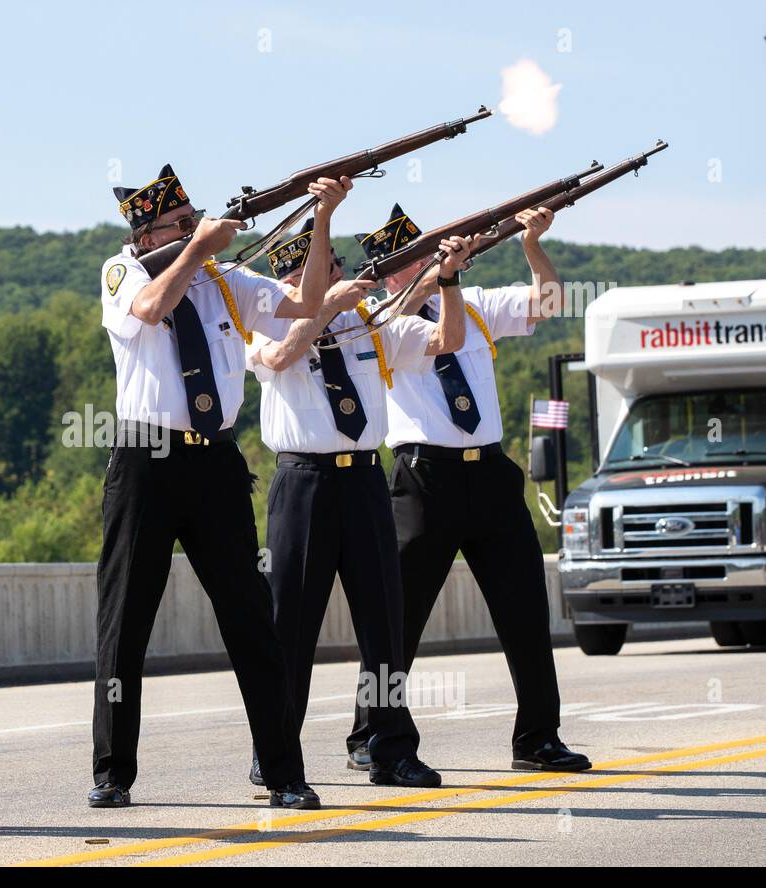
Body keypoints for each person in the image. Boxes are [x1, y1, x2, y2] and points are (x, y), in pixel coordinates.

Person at [90, 164, 350, 810]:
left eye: (193, 221)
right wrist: (199, 247)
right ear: (146, 232)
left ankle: (284, 770)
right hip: (145, 459)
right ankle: (112, 771)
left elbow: (306, 303)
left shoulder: (227, 283)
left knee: (251, 619)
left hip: (217, 462)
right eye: (179, 226)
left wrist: (321, 220)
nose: (192, 230)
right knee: (125, 622)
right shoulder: (122, 271)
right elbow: (151, 309)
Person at [343, 203, 592, 773]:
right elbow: (397, 316)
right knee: (398, 616)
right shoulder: (375, 314)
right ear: (391, 270)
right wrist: (440, 273)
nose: (432, 263)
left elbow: (548, 302)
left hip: (489, 472)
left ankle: (537, 737)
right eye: (418, 258)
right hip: (423, 475)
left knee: (525, 608)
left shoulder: (472, 306)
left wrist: (531, 243)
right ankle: (370, 732)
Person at [246, 222, 477, 787]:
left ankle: (391, 746)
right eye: (303, 277)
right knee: (290, 625)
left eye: (328, 271)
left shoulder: (370, 324)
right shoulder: (265, 323)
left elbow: (447, 341)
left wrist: (446, 282)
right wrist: (320, 309)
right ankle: (275, 751)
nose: (323, 282)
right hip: (304, 481)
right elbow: (279, 359)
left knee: (384, 623)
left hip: (366, 480)